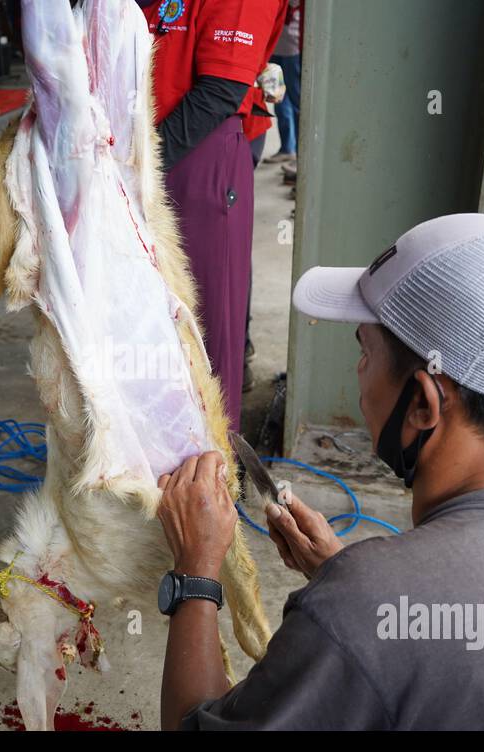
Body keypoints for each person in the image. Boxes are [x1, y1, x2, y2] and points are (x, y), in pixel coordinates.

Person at [154, 213, 484, 730]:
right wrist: (365, 595)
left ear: (424, 406)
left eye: (364, 353)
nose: (358, 377)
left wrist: (196, 572)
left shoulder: (360, 606)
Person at [137, 0, 288, 431]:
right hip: (142, 145)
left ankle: (213, 468)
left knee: (203, 316)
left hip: (194, 148)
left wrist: (139, 167)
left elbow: (220, 89)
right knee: (153, 312)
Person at [263, 0, 301, 164]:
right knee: (278, 99)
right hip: (274, 47)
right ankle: (287, 148)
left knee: (297, 102)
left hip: (293, 49)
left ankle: (301, 155)